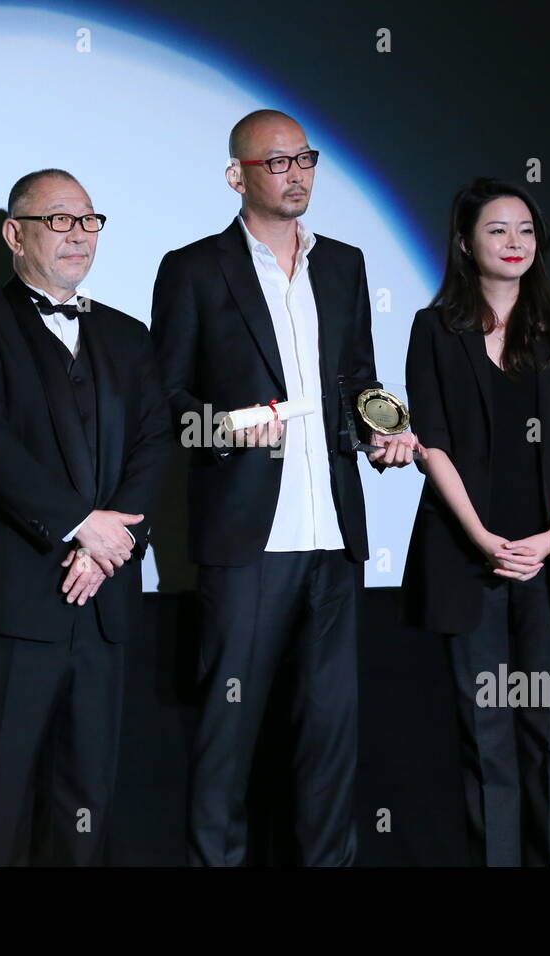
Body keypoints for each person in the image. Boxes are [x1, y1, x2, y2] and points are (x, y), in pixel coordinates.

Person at [150, 109, 418, 866]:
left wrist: (386, 429)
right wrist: (224, 427)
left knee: (330, 737)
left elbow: (358, 380)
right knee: (225, 738)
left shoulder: (345, 263)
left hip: (334, 538)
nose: (296, 173)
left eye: (306, 159)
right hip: (246, 542)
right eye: (277, 162)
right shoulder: (194, 268)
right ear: (237, 175)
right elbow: (165, 401)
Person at [0, 169, 170, 865]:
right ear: (15, 234)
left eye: (89, 221)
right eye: (59, 220)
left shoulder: (128, 336)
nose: (78, 235)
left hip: (103, 608)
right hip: (11, 608)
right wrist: (79, 526)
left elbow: (156, 444)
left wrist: (111, 544)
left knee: (83, 810)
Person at [401, 177, 550, 866]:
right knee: (484, 734)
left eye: (524, 230)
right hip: (470, 560)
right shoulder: (436, 329)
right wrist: (483, 538)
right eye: (497, 229)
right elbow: (432, 443)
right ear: (465, 242)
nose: (514, 242)